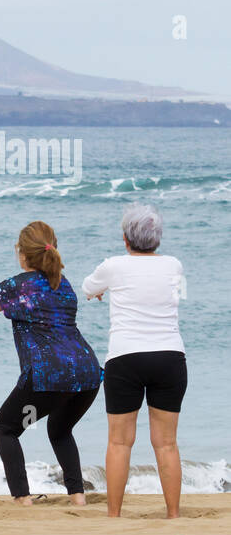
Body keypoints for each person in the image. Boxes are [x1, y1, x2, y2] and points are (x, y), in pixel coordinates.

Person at [0, 221, 101, 507]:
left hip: (48, 375)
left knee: (5, 429)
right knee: (60, 430)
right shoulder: (62, 283)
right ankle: (78, 497)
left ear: (22, 254)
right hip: (87, 374)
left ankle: (22, 499)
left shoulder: (19, 285)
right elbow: (31, 301)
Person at [82, 204, 186, 518]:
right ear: (156, 239)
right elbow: (168, 293)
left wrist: (104, 291)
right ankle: (172, 515)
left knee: (119, 441)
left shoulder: (113, 266)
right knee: (166, 443)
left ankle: (114, 515)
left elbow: (88, 289)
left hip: (125, 358)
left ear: (126, 238)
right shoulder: (174, 265)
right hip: (169, 357)